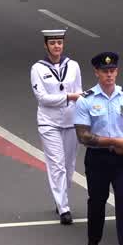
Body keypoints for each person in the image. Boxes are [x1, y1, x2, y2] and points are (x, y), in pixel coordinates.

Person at [73, 52, 123, 245]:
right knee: (97, 201)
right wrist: (113, 141)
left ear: (117, 72)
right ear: (97, 72)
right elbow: (83, 136)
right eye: (105, 71)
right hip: (97, 157)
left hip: (122, 158)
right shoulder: (86, 100)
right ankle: (93, 242)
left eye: (112, 71)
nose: (109, 75)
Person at [31, 29, 83, 225]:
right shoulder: (37, 68)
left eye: (59, 43)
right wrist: (68, 97)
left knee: (69, 166)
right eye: (52, 43)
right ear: (46, 45)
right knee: (57, 165)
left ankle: (60, 197)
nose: (56, 46)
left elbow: (79, 91)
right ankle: (64, 208)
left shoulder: (73, 66)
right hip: (48, 122)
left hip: (71, 122)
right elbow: (42, 98)